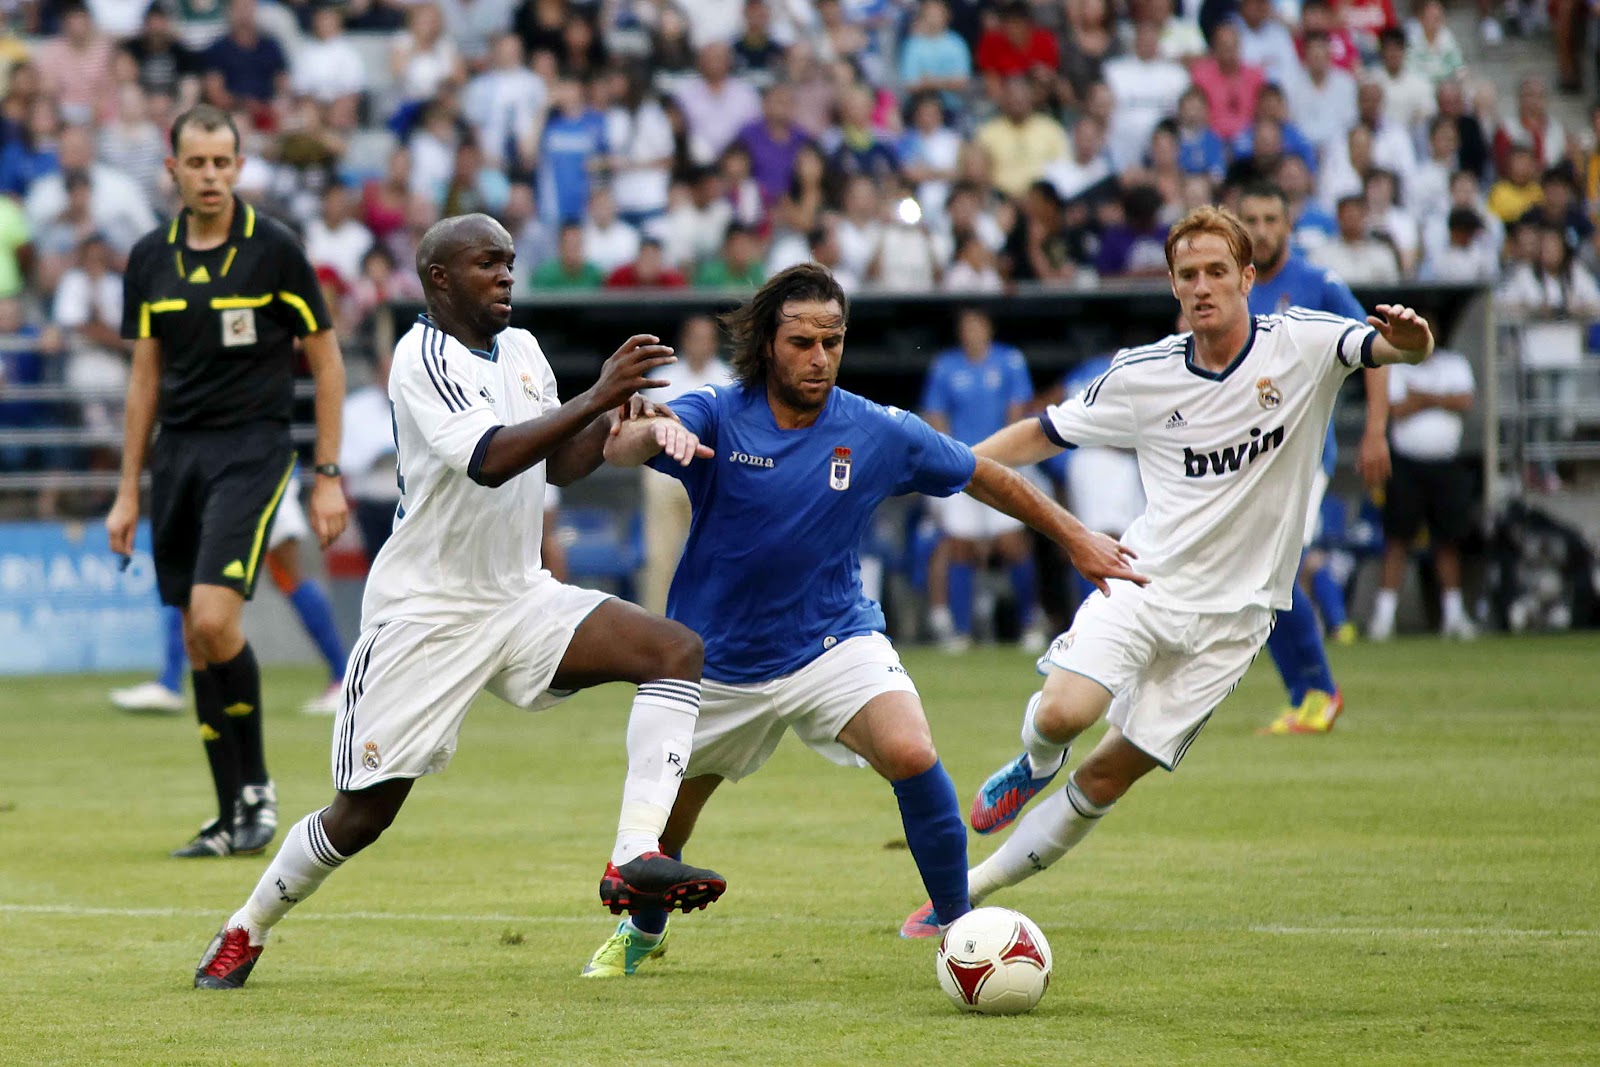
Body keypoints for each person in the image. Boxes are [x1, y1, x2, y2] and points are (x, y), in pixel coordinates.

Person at [190, 213, 728, 991]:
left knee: (675, 651)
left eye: (510, 262)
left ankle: (633, 855)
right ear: (439, 279)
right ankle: (248, 925)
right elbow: (489, 460)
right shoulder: (423, 356)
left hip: (517, 596)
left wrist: (621, 421)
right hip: (427, 614)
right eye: (488, 264)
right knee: (362, 817)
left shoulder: (523, 350)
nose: (506, 275)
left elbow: (561, 466)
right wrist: (597, 392)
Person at [583, 263, 1140, 976]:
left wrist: (1077, 537)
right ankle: (645, 931)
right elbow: (627, 441)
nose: (819, 358)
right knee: (666, 827)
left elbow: (984, 473)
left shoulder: (877, 428)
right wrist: (651, 432)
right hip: (716, 662)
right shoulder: (718, 411)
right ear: (765, 343)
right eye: (802, 342)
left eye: (833, 341)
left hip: (831, 643)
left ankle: (959, 926)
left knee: (910, 748)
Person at [899, 205, 1433, 932]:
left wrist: (1413, 344)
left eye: (1219, 271)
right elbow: (1046, 432)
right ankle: (1032, 760)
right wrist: (952, 463)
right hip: (1142, 581)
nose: (1204, 285)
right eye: (1190, 274)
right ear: (1173, 287)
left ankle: (964, 894)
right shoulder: (1142, 375)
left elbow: (1381, 350)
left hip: (1235, 622)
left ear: (1248, 277)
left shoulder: (1302, 342)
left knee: (1108, 775)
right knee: (1062, 714)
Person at [105, 105, 349, 860]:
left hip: (253, 451)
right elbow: (144, 380)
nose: (210, 175)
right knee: (196, 634)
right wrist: (127, 487)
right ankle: (228, 814)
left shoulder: (275, 250)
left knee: (214, 619)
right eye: (197, 163)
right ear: (172, 170)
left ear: (240, 168)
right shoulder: (150, 258)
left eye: (222, 162)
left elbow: (328, 360)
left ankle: (259, 790)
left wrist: (328, 474)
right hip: (176, 457)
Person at [1238, 182, 1393, 734]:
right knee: (1258, 585)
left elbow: (1376, 351)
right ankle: (1305, 695)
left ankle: (1321, 692)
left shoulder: (1317, 284)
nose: (1260, 229)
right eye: (1250, 218)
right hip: (1246, 461)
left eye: (1270, 218)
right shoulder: (1234, 286)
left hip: (1306, 458)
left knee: (1273, 575)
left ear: (1287, 225)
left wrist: (1375, 431)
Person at [109, 480, 351, 716]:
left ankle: (343, 679)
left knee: (284, 577)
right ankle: (170, 682)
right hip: (227, 479)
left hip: (260, 476)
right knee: (195, 576)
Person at [920, 307, 1043, 652]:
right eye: (966, 327)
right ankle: (961, 631)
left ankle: (1031, 622)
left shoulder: (1009, 361)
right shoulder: (946, 365)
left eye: (978, 325)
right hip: (962, 464)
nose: (972, 332)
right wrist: (952, 455)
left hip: (1002, 462)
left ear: (988, 328)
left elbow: (1017, 411)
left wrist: (1001, 453)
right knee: (960, 545)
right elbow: (935, 413)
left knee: (1011, 542)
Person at [1368, 332, 1476, 641]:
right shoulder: (1397, 364)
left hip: (1445, 464)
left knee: (1448, 540)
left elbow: (1465, 400)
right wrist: (1441, 399)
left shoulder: (1454, 363)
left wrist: (1422, 397)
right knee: (1397, 539)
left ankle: (1454, 615)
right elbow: (1398, 408)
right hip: (1406, 465)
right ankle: (1383, 617)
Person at [638, 314, 733, 614]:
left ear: (714, 343)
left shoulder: (729, 379)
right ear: (685, 341)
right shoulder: (663, 378)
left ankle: (711, 633)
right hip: (666, 481)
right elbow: (646, 429)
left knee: (715, 559)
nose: (701, 344)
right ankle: (654, 633)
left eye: (707, 338)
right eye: (695, 337)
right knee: (661, 557)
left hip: (712, 481)